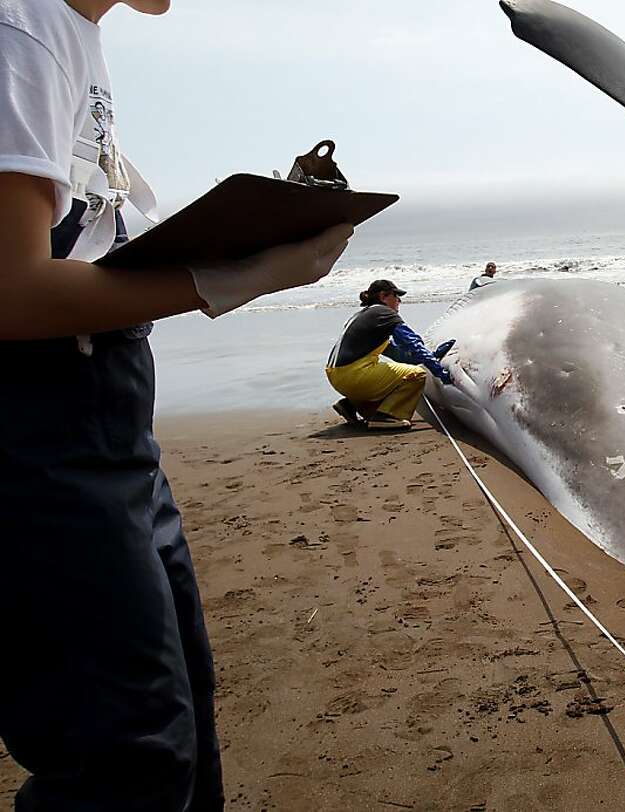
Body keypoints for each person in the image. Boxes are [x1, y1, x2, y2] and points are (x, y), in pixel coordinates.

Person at [0, 1, 353, 809]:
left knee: (178, 717)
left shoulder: (71, 32)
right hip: (35, 432)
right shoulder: (20, 27)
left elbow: (91, 243)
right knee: (127, 756)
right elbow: (12, 292)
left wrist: (247, 241)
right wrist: (227, 280)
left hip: (108, 423)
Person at [326, 279, 453, 429]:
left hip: (337, 377)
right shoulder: (384, 313)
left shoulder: (365, 316)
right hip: (353, 376)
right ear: (383, 296)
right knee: (416, 375)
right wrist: (440, 372)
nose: (399, 300)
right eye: (396, 296)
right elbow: (414, 344)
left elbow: (400, 356)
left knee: (394, 372)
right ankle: (387, 417)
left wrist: (433, 355)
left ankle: (351, 405)